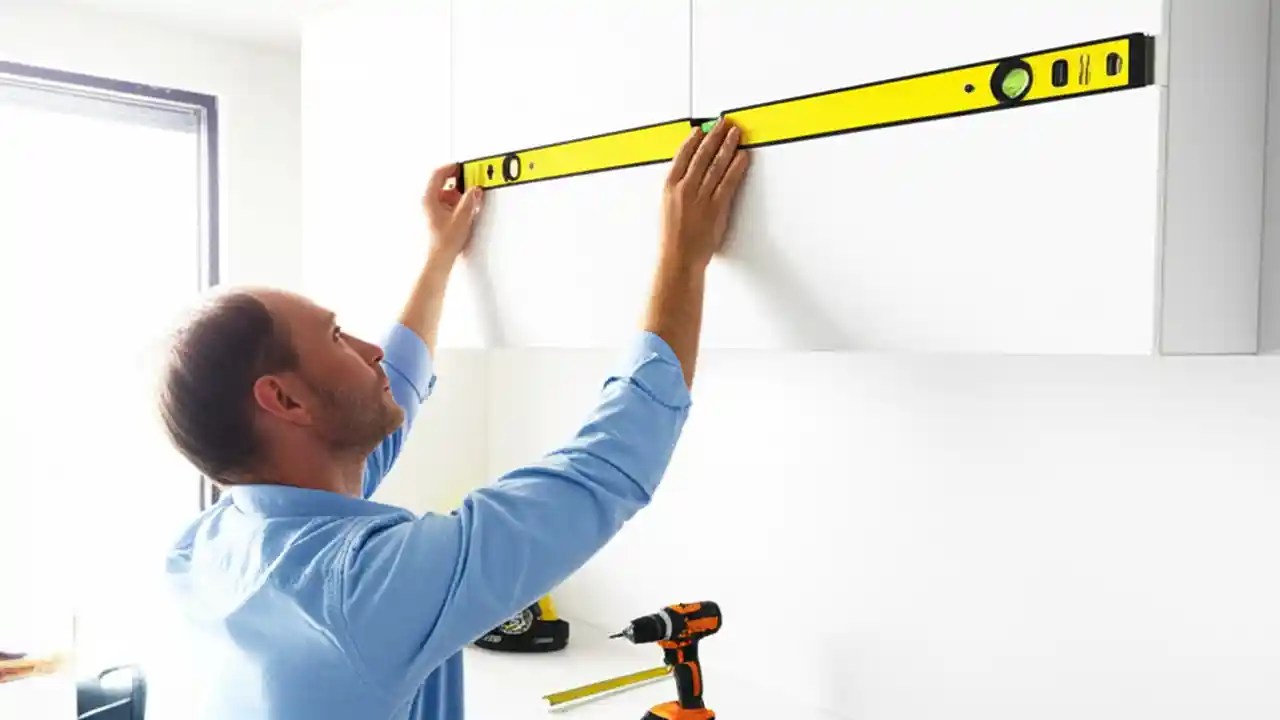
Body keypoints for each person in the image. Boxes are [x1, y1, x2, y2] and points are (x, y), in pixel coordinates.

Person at [158, 120, 751, 719]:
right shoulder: (362, 589)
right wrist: (684, 257)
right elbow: (606, 468)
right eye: (336, 336)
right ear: (286, 402)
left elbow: (391, 390)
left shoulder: (211, 543)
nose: (370, 350)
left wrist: (440, 255)